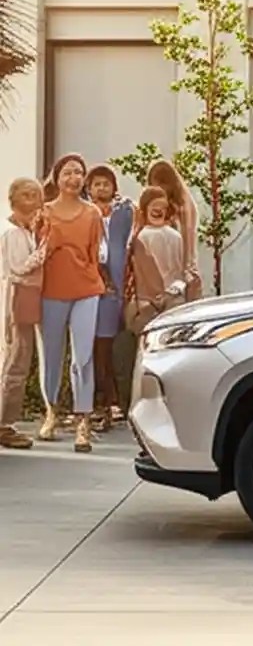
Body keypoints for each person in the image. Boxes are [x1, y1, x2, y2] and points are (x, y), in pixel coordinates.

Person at [38, 153, 107, 454]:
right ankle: (51, 411)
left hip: (86, 289)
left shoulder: (92, 213)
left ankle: (83, 419)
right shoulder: (44, 212)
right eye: (68, 172)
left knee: (82, 357)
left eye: (79, 173)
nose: (74, 178)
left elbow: (96, 253)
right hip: (51, 290)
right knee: (51, 354)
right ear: (57, 177)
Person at [0, 178, 49, 449]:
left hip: (26, 298)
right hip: (16, 299)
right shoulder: (12, 233)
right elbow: (19, 267)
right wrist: (43, 253)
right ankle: (4, 424)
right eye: (26, 195)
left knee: (20, 358)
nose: (32, 200)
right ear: (13, 199)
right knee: (15, 361)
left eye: (36, 194)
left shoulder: (27, 230)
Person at [86, 163, 133, 431]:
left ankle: (112, 401)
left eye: (106, 183)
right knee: (94, 348)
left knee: (110, 346)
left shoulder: (124, 212)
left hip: (117, 289)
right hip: (90, 287)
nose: (102, 188)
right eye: (96, 184)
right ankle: (100, 402)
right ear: (88, 189)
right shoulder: (83, 213)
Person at [123, 186, 187, 333]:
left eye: (162, 207)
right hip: (161, 300)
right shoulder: (143, 237)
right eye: (154, 206)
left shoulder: (145, 237)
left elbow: (179, 267)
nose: (159, 210)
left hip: (160, 300)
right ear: (145, 209)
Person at [145, 160, 201, 300]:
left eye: (163, 183)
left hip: (179, 269)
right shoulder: (154, 204)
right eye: (155, 183)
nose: (159, 188)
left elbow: (188, 241)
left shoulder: (183, 207)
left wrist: (187, 269)